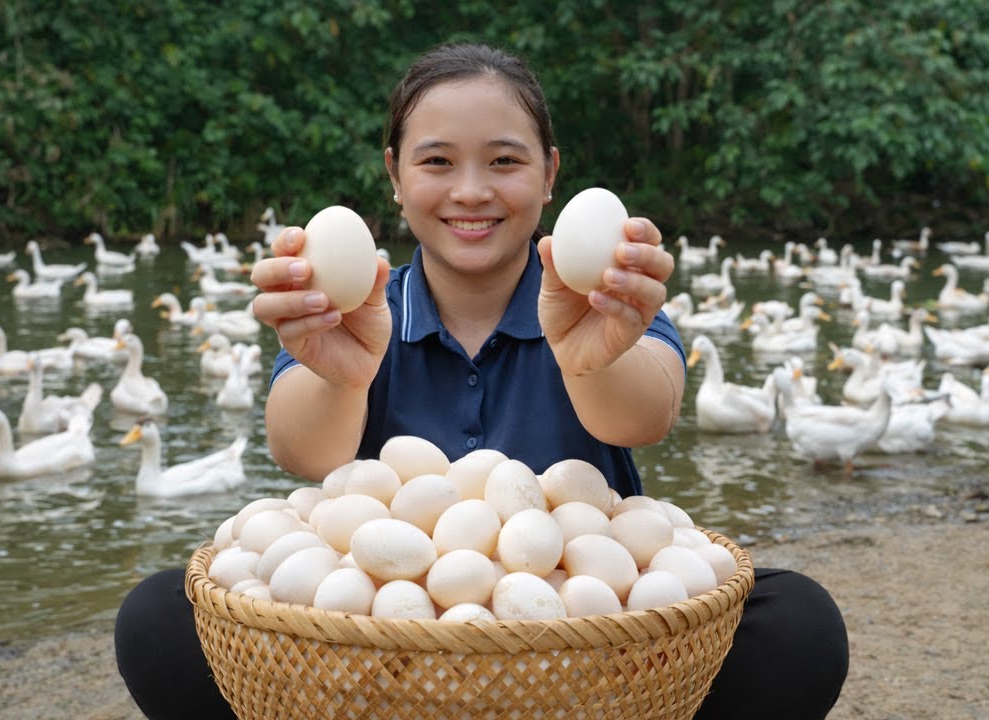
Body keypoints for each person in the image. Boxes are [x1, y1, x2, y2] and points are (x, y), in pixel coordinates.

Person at [115, 42, 847, 719]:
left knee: (797, 624)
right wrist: (345, 375)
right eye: (436, 162)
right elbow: (301, 455)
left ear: (550, 174)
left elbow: (644, 419)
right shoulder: (353, 307)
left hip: (585, 649)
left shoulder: (606, 299)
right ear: (395, 176)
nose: (470, 191)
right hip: (380, 652)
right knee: (157, 617)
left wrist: (590, 355)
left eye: (503, 161)